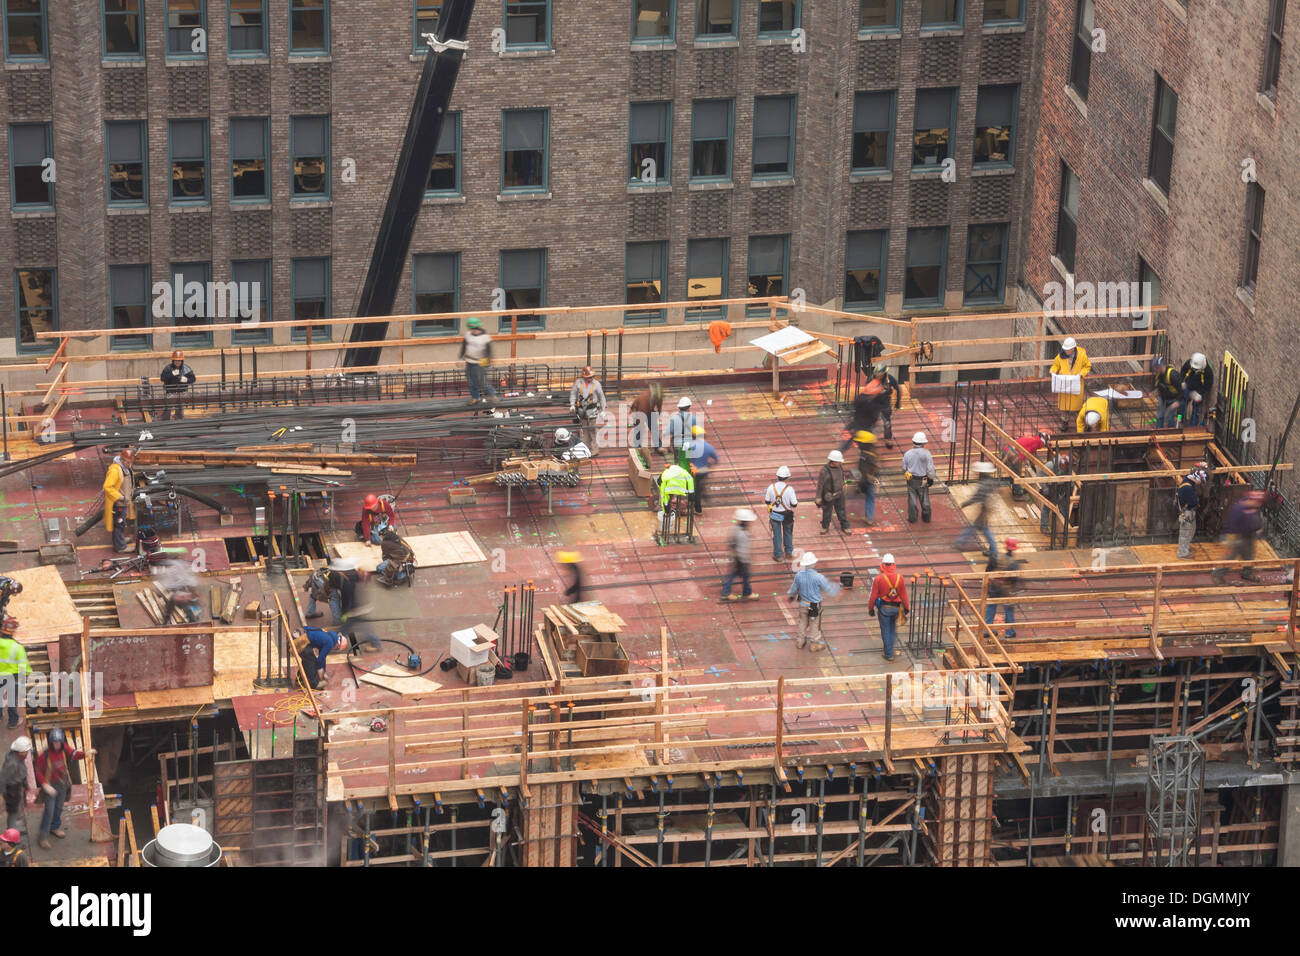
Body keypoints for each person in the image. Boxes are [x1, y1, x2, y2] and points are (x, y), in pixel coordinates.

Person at [34, 728, 84, 850]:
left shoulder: (64, 748)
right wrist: (45, 785)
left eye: (59, 742)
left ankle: (55, 827)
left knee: (59, 808)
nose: (57, 745)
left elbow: (74, 754)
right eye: (54, 742)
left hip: (62, 784)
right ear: (51, 742)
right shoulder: (44, 755)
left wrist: (86, 753)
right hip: (50, 786)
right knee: (49, 811)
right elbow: (38, 771)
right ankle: (43, 836)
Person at [786, 552, 839, 652]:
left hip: (802, 604)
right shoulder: (819, 577)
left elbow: (794, 589)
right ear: (814, 564)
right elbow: (829, 590)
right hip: (814, 606)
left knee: (802, 623)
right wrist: (839, 587)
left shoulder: (799, 575)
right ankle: (814, 644)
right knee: (814, 624)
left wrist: (791, 596)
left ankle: (800, 642)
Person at [1212, 490, 1266, 584]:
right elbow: (1232, 524)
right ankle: (1217, 574)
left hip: (1249, 536)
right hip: (1236, 536)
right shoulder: (1238, 509)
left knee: (1249, 556)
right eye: (1257, 502)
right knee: (1229, 557)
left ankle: (1246, 573)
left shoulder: (1253, 507)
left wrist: (1257, 528)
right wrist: (1231, 540)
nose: (1258, 505)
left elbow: (1255, 520)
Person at [867, 554, 910, 661]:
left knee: (885, 630)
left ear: (882, 565)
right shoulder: (900, 578)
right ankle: (890, 649)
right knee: (892, 629)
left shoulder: (878, 579)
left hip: (884, 609)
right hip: (896, 609)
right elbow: (904, 594)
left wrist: (870, 608)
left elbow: (873, 596)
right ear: (893, 565)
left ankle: (889, 654)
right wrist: (906, 607)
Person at [956, 461, 999, 557]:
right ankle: (961, 541)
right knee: (979, 526)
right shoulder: (990, 481)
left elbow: (977, 497)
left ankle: (994, 551)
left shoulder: (984, 484)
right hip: (988, 507)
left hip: (985, 508)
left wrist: (965, 504)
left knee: (983, 528)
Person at [985, 537, 1024, 639]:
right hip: (1006, 589)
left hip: (994, 587)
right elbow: (1014, 580)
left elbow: (988, 570)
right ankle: (1009, 632)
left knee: (991, 607)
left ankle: (986, 630)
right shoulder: (1014, 564)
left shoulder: (996, 557)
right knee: (1009, 609)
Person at [1050, 337, 1092, 431]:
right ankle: (1065, 423)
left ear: (1073, 348)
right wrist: (1053, 371)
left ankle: (1083, 424)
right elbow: (1056, 365)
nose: (1065, 351)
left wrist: (1081, 374)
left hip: (1076, 384)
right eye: (1065, 349)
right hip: (1064, 384)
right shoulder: (1061, 356)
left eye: (1067, 349)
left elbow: (1087, 366)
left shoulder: (1081, 355)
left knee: (1077, 408)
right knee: (1065, 408)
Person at [102, 445, 137, 553]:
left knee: (120, 523)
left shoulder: (125, 468)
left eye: (130, 462)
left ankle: (120, 540)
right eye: (127, 462)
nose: (129, 464)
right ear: (122, 460)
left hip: (123, 502)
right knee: (119, 523)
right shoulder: (115, 470)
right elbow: (107, 487)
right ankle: (121, 547)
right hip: (118, 503)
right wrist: (121, 497)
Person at [1000, 431, 1050, 501]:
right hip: (1012, 454)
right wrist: (1018, 461)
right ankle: (1018, 494)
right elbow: (1027, 453)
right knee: (1016, 474)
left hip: (1007, 450)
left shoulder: (1034, 439)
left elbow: (1031, 454)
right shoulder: (1037, 442)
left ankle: (1015, 490)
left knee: (1014, 472)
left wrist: (1032, 466)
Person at [838, 378, 885, 453]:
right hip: (862, 426)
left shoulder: (871, 398)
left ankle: (839, 452)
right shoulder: (865, 400)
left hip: (863, 425)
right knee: (857, 442)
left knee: (851, 442)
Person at [0, 616, 31, 730]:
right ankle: (13, 722)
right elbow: (24, 666)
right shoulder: (17, 647)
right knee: (12, 699)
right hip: (12, 677)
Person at [722, 509, 760, 601]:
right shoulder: (744, 534)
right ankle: (728, 593)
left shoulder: (735, 528)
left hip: (735, 556)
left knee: (741, 575)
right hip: (741, 559)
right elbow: (743, 549)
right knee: (739, 575)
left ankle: (746, 592)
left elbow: (731, 541)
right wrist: (747, 560)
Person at [458, 317, 496, 404]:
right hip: (469, 361)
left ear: (478, 328)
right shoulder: (468, 335)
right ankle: (475, 397)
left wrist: (487, 363)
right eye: (471, 329)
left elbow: (489, 351)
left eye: (474, 329)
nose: (472, 330)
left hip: (480, 362)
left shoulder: (485, 337)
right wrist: (460, 358)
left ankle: (492, 395)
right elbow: (464, 347)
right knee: (471, 381)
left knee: (483, 381)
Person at [764, 465, 798, 562]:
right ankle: (789, 553)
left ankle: (778, 555)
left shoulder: (771, 487)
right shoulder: (790, 489)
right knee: (788, 533)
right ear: (787, 477)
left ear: (777, 476)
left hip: (775, 514)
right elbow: (794, 504)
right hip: (787, 515)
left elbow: (767, 501)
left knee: (777, 535)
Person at [569, 366, 607, 452]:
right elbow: (573, 394)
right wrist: (572, 405)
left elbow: (601, 397)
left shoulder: (596, 384)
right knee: (584, 430)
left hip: (592, 410)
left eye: (592, 376)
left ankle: (594, 449)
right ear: (584, 377)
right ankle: (585, 448)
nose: (591, 378)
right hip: (581, 410)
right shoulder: (578, 383)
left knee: (592, 430)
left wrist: (603, 410)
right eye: (589, 377)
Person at [902, 432, 936, 524]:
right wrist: (931, 478)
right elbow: (930, 469)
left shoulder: (907, 454)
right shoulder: (927, 453)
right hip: (923, 480)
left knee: (912, 499)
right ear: (923, 443)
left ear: (913, 441)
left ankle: (912, 518)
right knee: (924, 497)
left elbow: (904, 468)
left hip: (911, 480)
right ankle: (926, 518)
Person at [866, 364, 902, 447]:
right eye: (876, 375)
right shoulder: (871, 380)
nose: (878, 377)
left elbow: (898, 389)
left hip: (885, 403)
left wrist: (897, 402)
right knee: (871, 421)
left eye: (880, 375)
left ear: (884, 374)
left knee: (887, 422)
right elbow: (866, 392)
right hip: (874, 402)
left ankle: (888, 438)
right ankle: (869, 438)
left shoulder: (889, 379)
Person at [816, 450, 851, 534]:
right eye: (839, 461)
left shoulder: (840, 467)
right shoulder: (824, 471)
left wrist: (844, 485)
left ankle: (845, 526)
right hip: (829, 495)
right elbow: (820, 485)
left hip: (840, 494)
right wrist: (818, 497)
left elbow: (842, 477)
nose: (840, 463)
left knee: (841, 511)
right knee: (827, 512)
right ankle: (825, 527)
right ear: (833, 461)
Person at [686, 426, 719, 515]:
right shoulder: (709, 446)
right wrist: (708, 465)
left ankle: (698, 509)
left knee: (695, 490)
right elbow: (716, 460)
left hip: (694, 472)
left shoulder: (690, 445)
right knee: (698, 487)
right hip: (704, 471)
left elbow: (686, 459)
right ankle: (703, 495)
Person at [657, 460, 695, 536]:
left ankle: (669, 513)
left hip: (670, 490)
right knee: (681, 501)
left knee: (668, 499)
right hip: (681, 490)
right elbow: (690, 480)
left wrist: (666, 507)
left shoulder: (665, 473)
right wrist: (691, 493)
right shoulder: (684, 472)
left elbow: (663, 495)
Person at [1176, 467, 1205, 559]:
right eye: (1200, 480)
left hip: (1190, 511)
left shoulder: (1188, 481)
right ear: (1195, 478)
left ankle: (1186, 547)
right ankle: (1182, 553)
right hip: (1186, 512)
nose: (1200, 482)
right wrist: (1197, 501)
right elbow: (1193, 502)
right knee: (1185, 533)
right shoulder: (1187, 488)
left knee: (1191, 531)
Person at [3, 737, 30, 831]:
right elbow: (3, 779)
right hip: (12, 791)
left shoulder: (17, 757)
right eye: (26, 751)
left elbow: (21, 773)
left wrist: (25, 785)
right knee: (13, 814)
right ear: (21, 751)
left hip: (17, 788)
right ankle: (11, 834)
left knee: (16, 812)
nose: (28, 752)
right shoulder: (12, 764)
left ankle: (14, 829)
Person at [159, 350, 195, 421]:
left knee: (179, 410)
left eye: (179, 360)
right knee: (167, 409)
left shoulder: (186, 369)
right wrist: (171, 374)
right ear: (173, 360)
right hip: (170, 392)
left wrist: (187, 380)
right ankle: (165, 421)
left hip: (181, 392)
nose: (177, 362)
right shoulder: (168, 368)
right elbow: (162, 378)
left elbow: (193, 378)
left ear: (182, 361)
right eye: (176, 360)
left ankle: (179, 421)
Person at [854, 431, 879, 526]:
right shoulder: (873, 453)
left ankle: (868, 518)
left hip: (866, 480)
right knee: (870, 498)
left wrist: (860, 486)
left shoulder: (864, 456)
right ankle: (869, 518)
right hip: (871, 479)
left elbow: (864, 472)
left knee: (869, 497)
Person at [1181, 353, 1213, 428]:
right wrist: (1182, 381)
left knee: (1196, 410)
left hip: (1198, 390)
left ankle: (1192, 427)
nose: (1194, 370)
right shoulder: (1189, 364)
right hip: (1188, 387)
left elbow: (1208, 384)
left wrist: (1200, 393)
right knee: (1182, 404)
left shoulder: (1207, 372)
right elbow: (1183, 371)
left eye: (1196, 369)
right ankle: (1181, 422)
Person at [628, 384, 664, 449]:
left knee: (654, 427)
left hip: (649, 409)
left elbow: (659, 405)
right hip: (638, 410)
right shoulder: (644, 400)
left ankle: (658, 445)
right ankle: (637, 445)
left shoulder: (658, 396)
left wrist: (658, 414)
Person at [1152, 357, 1183, 428]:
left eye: (1156, 367)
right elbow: (1158, 386)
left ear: (1161, 366)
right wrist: (1155, 391)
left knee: (1169, 416)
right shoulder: (1158, 374)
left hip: (1173, 398)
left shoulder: (1173, 375)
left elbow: (1181, 390)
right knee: (1160, 414)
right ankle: (1158, 429)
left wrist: (1178, 401)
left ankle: (1171, 430)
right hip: (1163, 397)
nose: (1155, 370)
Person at [666, 397, 697, 466]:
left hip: (677, 443)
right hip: (689, 443)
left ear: (679, 407)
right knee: (689, 461)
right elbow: (697, 432)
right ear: (689, 407)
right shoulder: (693, 418)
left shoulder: (674, 418)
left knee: (677, 461)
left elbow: (670, 431)